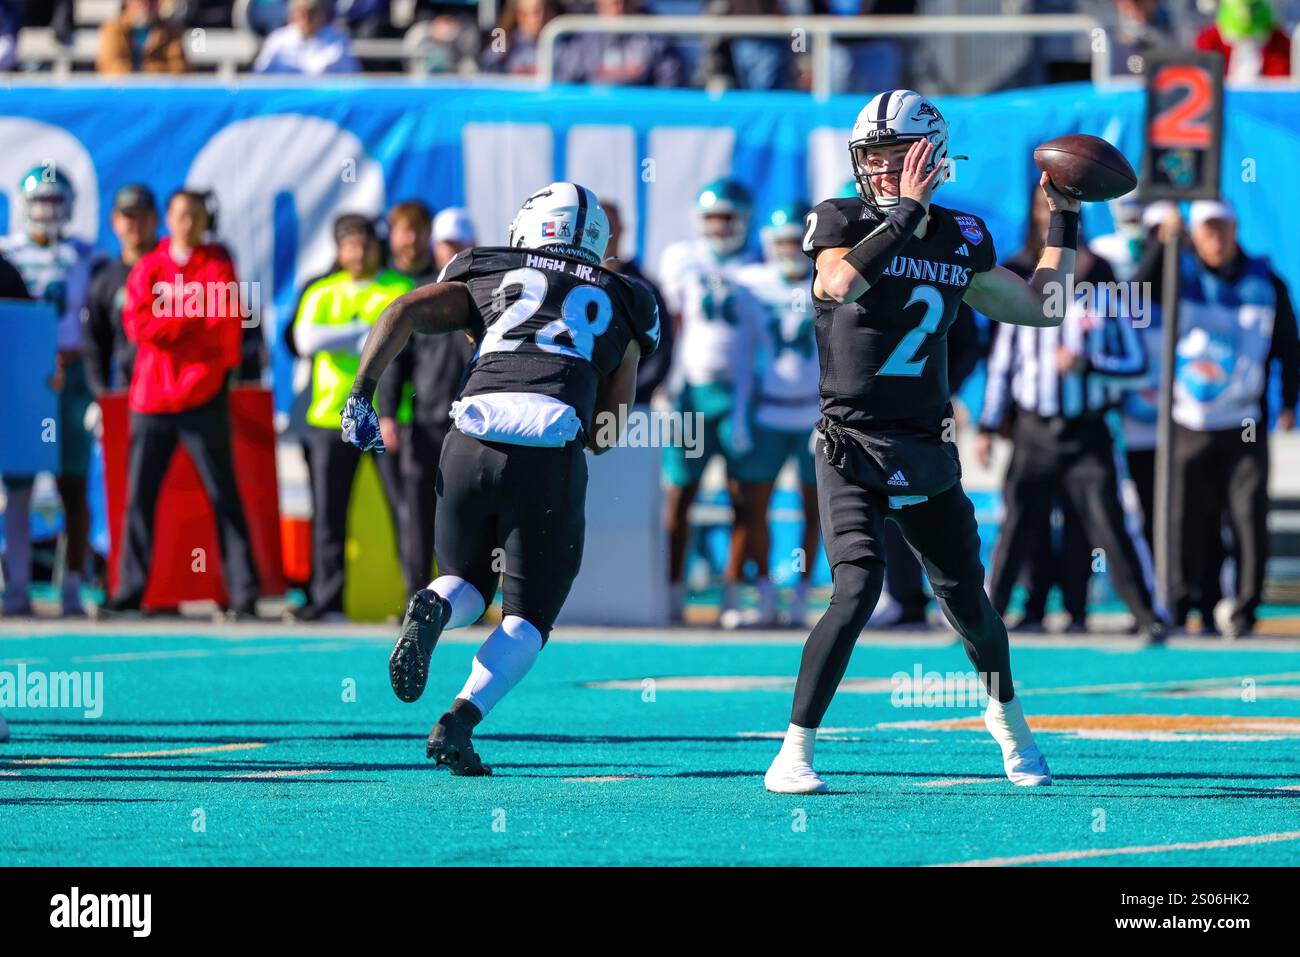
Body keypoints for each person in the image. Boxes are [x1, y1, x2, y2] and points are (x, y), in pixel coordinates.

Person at [765, 90, 1075, 794]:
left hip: (925, 443)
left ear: (927, 155)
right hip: (850, 439)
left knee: (968, 602)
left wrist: (1066, 219)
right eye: (869, 156)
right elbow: (839, 281)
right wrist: (904, 215)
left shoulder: (961, 236)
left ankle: (1010, 726)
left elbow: (1040, 307)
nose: (876, 169)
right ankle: (795, 750)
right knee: (856, 587)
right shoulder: (841, 219)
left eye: (889, 155)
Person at [340, 182, 660, 775]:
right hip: (547, 449)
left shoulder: (485, 266)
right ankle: (458, 720)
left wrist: (361, 392)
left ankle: (432, 608)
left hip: (469, 438)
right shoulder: (626, 297)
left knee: (461, 580)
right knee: (528, 616)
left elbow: (401, 310)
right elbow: (608, 431)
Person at [976, 182, 1160, 640]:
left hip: (1086, 431)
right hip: (1035, 429)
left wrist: (1088, 366)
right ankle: (987, 616)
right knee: (1018, 523)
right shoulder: (1023, 294)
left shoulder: (1106, 299)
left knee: (1106, 522)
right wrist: (987, 422)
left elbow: (1139, 365)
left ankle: (1143, 614)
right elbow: (1002, 364)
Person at [1135, 200, 1299, 638]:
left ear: (1235, 227)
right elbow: (1136, 294)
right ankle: (1186, 605)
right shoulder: (1178, 274)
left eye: (1221, 228)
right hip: (1188, 419)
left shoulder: (1266, 282)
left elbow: (1289, 344)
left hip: (1245, 422)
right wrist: (1166, 245)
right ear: (1193, 232)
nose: (1215, 237)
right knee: (1186, 519)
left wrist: (1288, 402)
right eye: (1206, 229)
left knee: (1247, 519)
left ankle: (1244, 610)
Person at [101, 190, 260, 621]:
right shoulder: (150, 266)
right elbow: (138, 325)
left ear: (203, 219)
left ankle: (244, 594)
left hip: (203, 397)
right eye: (180, 215)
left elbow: (226, 325)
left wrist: (171, 320)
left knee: (223, 495)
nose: (187, 222)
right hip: (151, 400)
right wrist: (189, 319)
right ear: (168, 219)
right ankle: (129, 593)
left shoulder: (216, 264)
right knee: (140, 498)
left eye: (195, 215)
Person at [289, 214, 414, 622]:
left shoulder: (400, 289)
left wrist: (344, 337)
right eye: (349, 245)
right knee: (328, 513)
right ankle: (328, 600)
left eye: (364, 244)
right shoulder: (321, 291)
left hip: (387, 417)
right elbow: (306, 340)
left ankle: (417, 600)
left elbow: (409, 338)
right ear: (338, 250)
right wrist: (367, 332)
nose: (357, 253)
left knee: (405, 510)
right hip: (331, 417)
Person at [658, 179, 766, 626]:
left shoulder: (760, 267)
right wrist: (668, 385)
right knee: (680, 494)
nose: (720, 227)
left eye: (728, 218)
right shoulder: (681, 260)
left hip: (744, 396)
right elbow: (671, 328)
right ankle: (670, 590)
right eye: (713, 217)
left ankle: (733, 593)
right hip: (692, 394)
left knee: (746, 497)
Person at [0, 166, 96, 618]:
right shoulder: (8, 254)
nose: (48, 212)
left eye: (56, 203)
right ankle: (17, 587)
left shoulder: (84, 256)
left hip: (71, 377)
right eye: (40, 203)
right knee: (17, 485)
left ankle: (72, 587)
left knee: (72, 486)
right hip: (22, 382)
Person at [377, 201, 474, 597]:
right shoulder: (421, 298)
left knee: (468, 516)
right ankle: (416, 597)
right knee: (416, 515)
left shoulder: (490, 298)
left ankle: (467, 598)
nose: (449, 252)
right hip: (425, 422)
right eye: (444, 244)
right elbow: (396, 360)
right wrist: (386, 414)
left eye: (457, 244)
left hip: (472, 426)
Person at [732, 203, 822, 627]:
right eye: (781, 241)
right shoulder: (751, 284)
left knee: (817, 509)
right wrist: (738, 416)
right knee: (754, 508)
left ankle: (802, 596)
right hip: (767, 411)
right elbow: (742, 353)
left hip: (813, 413)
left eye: (794, 241)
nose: (788, 249)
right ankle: (765, 592)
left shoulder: (829, 279)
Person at [84, 185, 160, 398]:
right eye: (129, 216)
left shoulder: (177, 271)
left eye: (143, 216)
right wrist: (101, 397)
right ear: (114, 221)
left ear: (156, 219)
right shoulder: (104, 281)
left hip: (177, 392)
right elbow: (95, 346)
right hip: (128, 392)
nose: (136, 224)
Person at [600, 199, 673, 406]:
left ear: (623, 229)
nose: (607, 236)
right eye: (600, 228)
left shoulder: (642, 288)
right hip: (585, 403)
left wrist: (634, 392)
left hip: (632, 406)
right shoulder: (575, 284)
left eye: (611, 227)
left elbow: (662, 346)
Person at [253, 0, 360, 75]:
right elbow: (259, 76)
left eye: (312, 13)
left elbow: (350, 78)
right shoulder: (277, 40)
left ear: (321, 15)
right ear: (293, 16)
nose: (307, 19)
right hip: (283, 103)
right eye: (302, 13)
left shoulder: (337, 39)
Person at [96, 0, 189, 75]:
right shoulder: (113, 29)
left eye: (151, 1)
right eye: (139, 1)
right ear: (128, 2)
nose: (145, 5)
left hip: (159, 94)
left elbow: (180, 68)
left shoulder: (171, 30)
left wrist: (142, 72)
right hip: (121, 94)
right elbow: (110, 66)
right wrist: (153, 71)